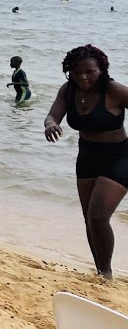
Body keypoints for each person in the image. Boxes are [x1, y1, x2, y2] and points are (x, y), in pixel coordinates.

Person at [43, 45, 128, 281]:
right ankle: (100, 271)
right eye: (76, 72)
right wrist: (51, 125)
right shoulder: (68, 90)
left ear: (101, 69)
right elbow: (53, 115)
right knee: (89, 219)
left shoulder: (114, 90)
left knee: (99, 216)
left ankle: (107, 273)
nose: (83, 77)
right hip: (87, 156)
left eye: (90, 71)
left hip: (119, 157)